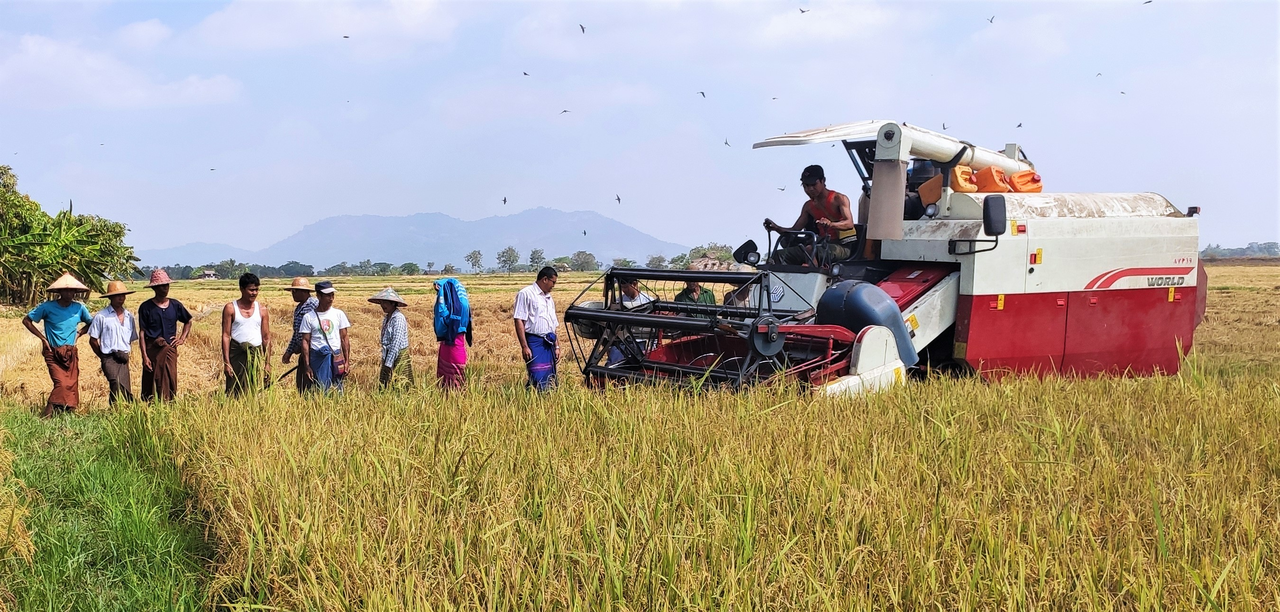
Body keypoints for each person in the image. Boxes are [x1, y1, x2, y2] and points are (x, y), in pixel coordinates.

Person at [24, 273, 93, 417]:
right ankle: (47, 415)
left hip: (70, 352)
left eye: (71, 291)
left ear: (75, 292)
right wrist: (43, 338)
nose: (69, 293)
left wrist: (80, 333)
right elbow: (27, 321)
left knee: (72, 382)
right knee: (61, 383)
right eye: (65, 290)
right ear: (59, 292)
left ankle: (68, 412)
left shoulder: (79, 308)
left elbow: (91, 323)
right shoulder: (47, 307)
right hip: (52, 351)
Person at [763, 164, 856, 266]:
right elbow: (794, 230)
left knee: (810, 250)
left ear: (823, 181)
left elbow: (849, 223)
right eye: (806, 186)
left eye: (813, 185)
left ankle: (815, 277)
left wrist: (831, 224)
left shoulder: (839, 199)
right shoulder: (808, 206)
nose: (809, 189)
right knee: (778, 255)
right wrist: (776, 228)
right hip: (820, 244)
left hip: (841, 247)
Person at [137, 269, 193, 402]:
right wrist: (144, 356)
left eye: (167, 285)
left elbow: (188, 321)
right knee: (151, 379)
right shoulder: (146, 307)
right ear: (155, 288)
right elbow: (142, 332)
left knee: (170, 377)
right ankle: (150, 405)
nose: (165, 289)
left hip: (169, 348)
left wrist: (182, 338)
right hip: (152, 349)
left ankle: (169, 403)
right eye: (162, 286)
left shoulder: (175, 305)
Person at [87, 280, 139, 406]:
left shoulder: (129, 317)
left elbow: (130, 339)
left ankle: (119, 410)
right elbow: (93, 340)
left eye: (123, 295)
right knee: (115, 381)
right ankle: (118, 407)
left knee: (124, 385)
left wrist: (126, 354)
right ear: (110, 297)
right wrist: (103, 357)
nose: (121, 298)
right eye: (117, 295)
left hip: (123, 356)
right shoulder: (102, 316)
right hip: (109, 356)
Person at [221, 272, 271, 397]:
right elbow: (226, 336)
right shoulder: (230, 308)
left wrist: (267, 363)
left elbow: (266, 338)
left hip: (255, 353)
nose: (254, 293)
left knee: (252, 385)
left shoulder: (262, 310)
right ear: (242, 289)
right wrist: (227, 362)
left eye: (256, 290)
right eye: (251, 290)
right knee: (233, 387)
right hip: (237, 353)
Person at [298, 280, 351, 393]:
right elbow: (305, 342)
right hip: (318, 358)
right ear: (319, 296)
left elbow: (344, 338)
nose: (331, 298)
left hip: (335, 357)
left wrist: (347, 361)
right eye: (327, 295)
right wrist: (307, 365)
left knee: (337, 389)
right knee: (321, 389)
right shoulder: (309, 317)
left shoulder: (339, 314)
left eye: (332, 295)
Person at [514, 266, 560, 391]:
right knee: (537, 375)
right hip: (534, 342)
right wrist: (524, 346)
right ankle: (533, 400)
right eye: (553, 282)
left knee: (549, 377)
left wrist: (557, 346)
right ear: (545, 279)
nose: (553, 286)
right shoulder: (526, 294)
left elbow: (553, 324)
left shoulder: (549, 298)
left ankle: (542, 401)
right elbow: (519, 319)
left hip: (549, 343)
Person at [369, 287, 414, 389]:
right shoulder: (387, 318)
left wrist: (388, 363)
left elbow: (396, 342)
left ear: (393, 303)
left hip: (398, 355)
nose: (382, 305)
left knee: (401, 384)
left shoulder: (398, 318)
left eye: (385, 302)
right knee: (385, 385)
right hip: (388, 354)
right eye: (381, 302)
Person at [433, 277, 473, 390]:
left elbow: (442, 314)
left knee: (453, 376)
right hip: (451, 339)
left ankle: (453, 397)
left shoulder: (450, 298)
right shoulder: (461, 304)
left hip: (452, 341)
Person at [281, 276, 318, 393]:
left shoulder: (314, 305)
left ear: (304, 292)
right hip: (303, 351)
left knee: (312, 383)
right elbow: (297, 333)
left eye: (295, 291)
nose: (293, 294)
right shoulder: (299, 308)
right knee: (302, 384)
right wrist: (289, 351)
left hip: (313, 352)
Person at [607, 276, 653, 366]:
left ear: (635, 284)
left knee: (636, 367)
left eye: (626, 287)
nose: (623, 290)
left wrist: (652, 346)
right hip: (621, 341)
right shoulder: (618, 301)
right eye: (621, 287)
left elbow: (654, 327)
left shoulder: (648, 301)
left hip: (639, 342)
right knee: (612, 365)